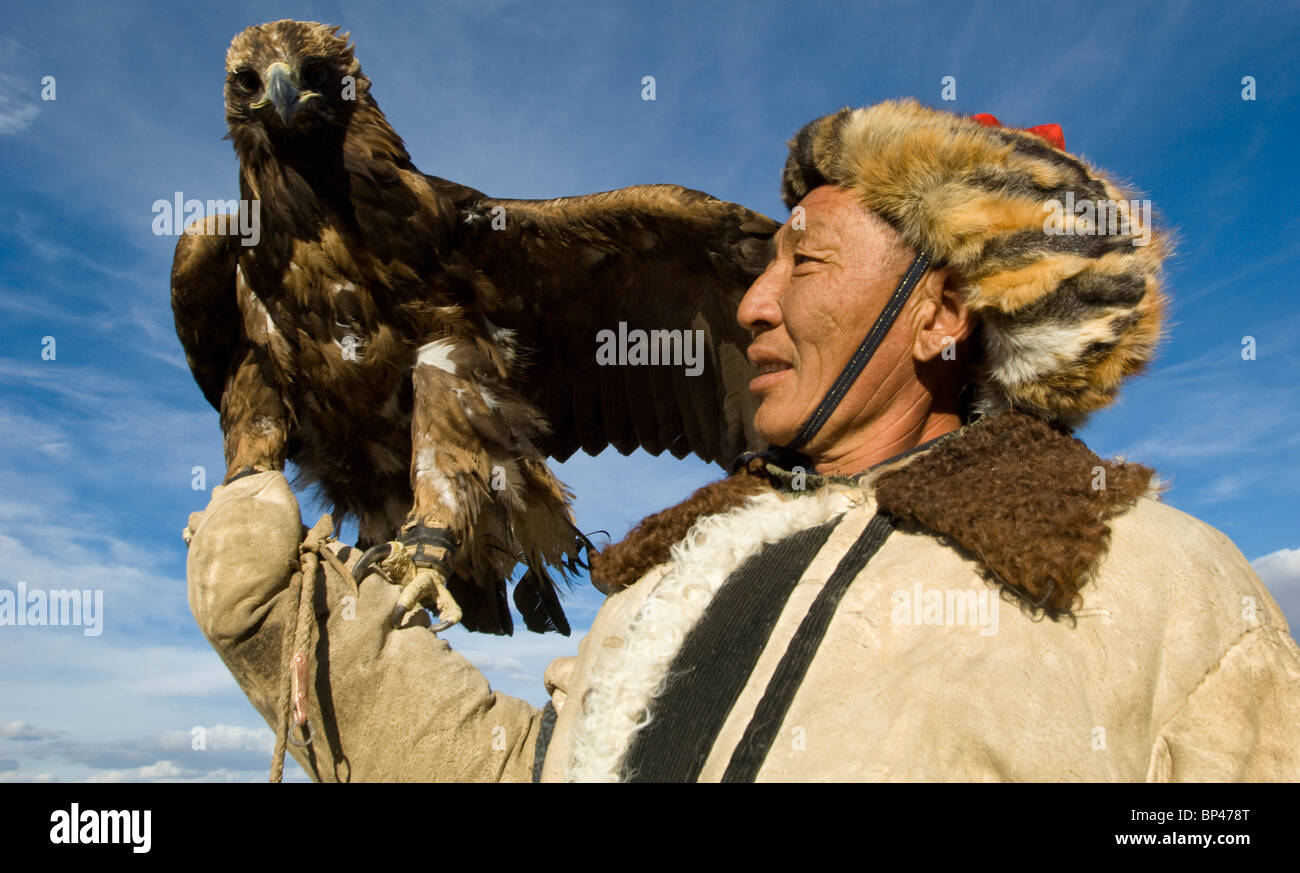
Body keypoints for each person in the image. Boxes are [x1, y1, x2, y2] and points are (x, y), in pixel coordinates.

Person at [184, 99, 1300, 782]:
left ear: (941, 313)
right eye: (758, 266)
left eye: (801, 263)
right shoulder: (670, 589)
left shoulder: (1158, 589)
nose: (750, 305)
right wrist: (299, 627)